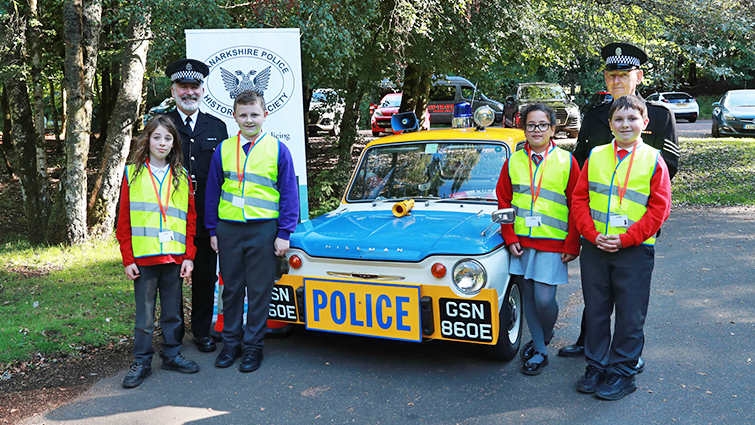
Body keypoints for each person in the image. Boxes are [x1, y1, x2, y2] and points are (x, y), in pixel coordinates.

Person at [562, 42, 680, 360]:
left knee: (629, 297)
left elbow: (669, 166)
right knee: (597, 292)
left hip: (636, 222)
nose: (617, 80)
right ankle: (590, 344)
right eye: (611, 74)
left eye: (624, 74)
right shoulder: (596, 115)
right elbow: (581, 167)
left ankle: (629, 355)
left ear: (637, 76)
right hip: (597, 223)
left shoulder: (658, 114)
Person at [571, 95, 671, 400]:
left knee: (630, 314)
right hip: (596, 247)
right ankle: (596, 366)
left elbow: (659, 208)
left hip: (634, 251)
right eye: (618, 119)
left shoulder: (654, 160)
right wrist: (591, 233)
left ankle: (622, 372)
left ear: (645, 123)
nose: (625, 124)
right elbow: (579, 200)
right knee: (597, 310)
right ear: (610, 124)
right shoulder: (596, 155)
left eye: (632, 119)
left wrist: (626, 238)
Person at [205, 90, 299, 372]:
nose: (249, 120)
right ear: (234, 116)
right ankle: (231, 344)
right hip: (229, 230)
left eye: (254, 114)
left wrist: (284, 232)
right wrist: (212, 230)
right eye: (243, 115)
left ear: (265, 116)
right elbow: (212, 192)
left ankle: (253, 348)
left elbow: (289, 194)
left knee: (259, 291)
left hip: (263, 230)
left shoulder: (279, 149)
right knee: (231, 289)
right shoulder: (223, 149)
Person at [496, 104, 581, 375]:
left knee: (545, 300)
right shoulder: (513, 162)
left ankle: (544, 335)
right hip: (521, 242)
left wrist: (572, 243)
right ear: (524, 129)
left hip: (554, 243)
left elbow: (578, 204)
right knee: (530, 298)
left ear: (553, 129)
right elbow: (504, 202)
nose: (537, 130)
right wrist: (509, 236)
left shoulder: (567, 161)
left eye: (543, 125)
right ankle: (540, 353)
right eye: (531, 125)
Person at [116, 115, 200, 388]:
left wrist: (189, 255)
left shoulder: (182, 176)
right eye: (157, 137)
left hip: (174, 258)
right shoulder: (132, 174)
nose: (162, 143)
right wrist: (128, 259)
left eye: (168, 138)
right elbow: (124, 221)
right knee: (144, 315)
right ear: (146, 140)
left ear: (174, 143)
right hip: (144, 258)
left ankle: (172, 355)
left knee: (173, 313)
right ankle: (141, 361)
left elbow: (190, 220)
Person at [165, 59, 229, 353]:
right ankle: (172, 335)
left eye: (194, 86)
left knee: (204, 278)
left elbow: (224, 177)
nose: (189, 92)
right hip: (171, 219)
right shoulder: (161, 125)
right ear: (174, 90)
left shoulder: (217, 127)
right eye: (183, 87)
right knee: (171, 281)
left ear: (202, 90)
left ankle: (202, 332)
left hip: (205, 217)